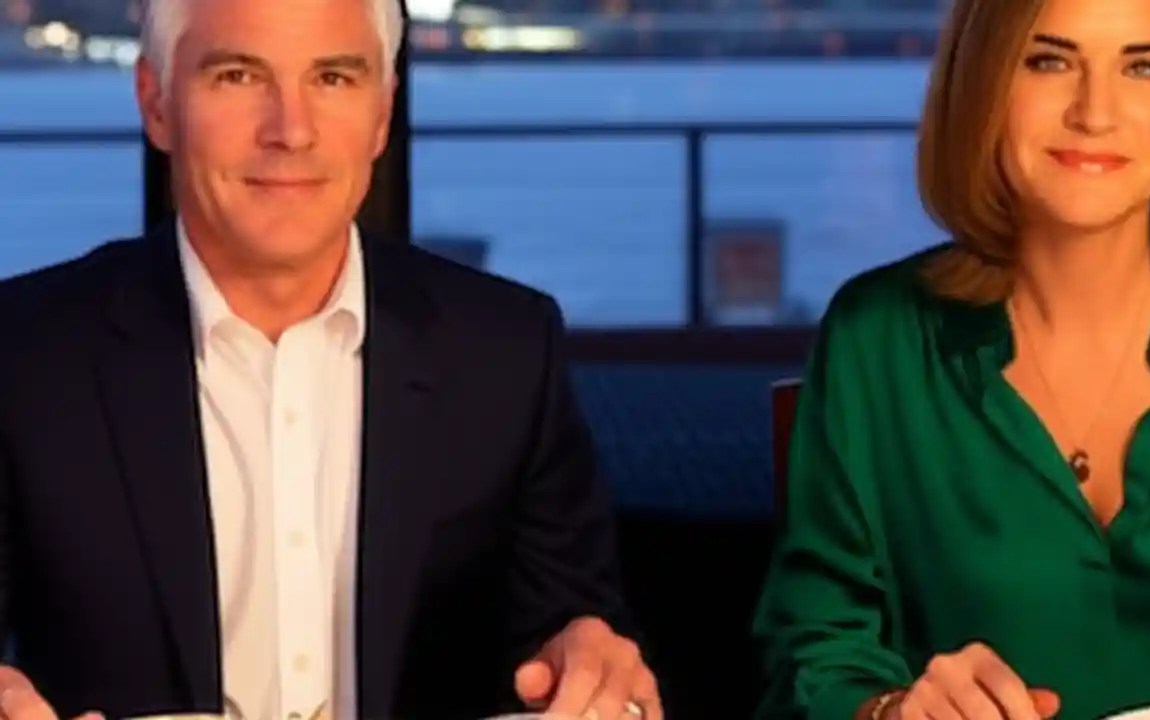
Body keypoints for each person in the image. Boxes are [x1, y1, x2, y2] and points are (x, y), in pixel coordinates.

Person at [0, 0, 663, 718]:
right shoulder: (24, 355)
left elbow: (572, 635)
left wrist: (590, 664)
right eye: (238, 76)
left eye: (333, 79)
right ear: (156, 102)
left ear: (382, 114)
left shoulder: (508, 351)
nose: (291, 130)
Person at [752, 0, 1150, 719]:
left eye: (1145, 68)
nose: (1094, 113)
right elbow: (809, 662)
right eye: (1050, 61)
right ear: (985, 84)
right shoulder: (875, 337)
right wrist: (893, 710)